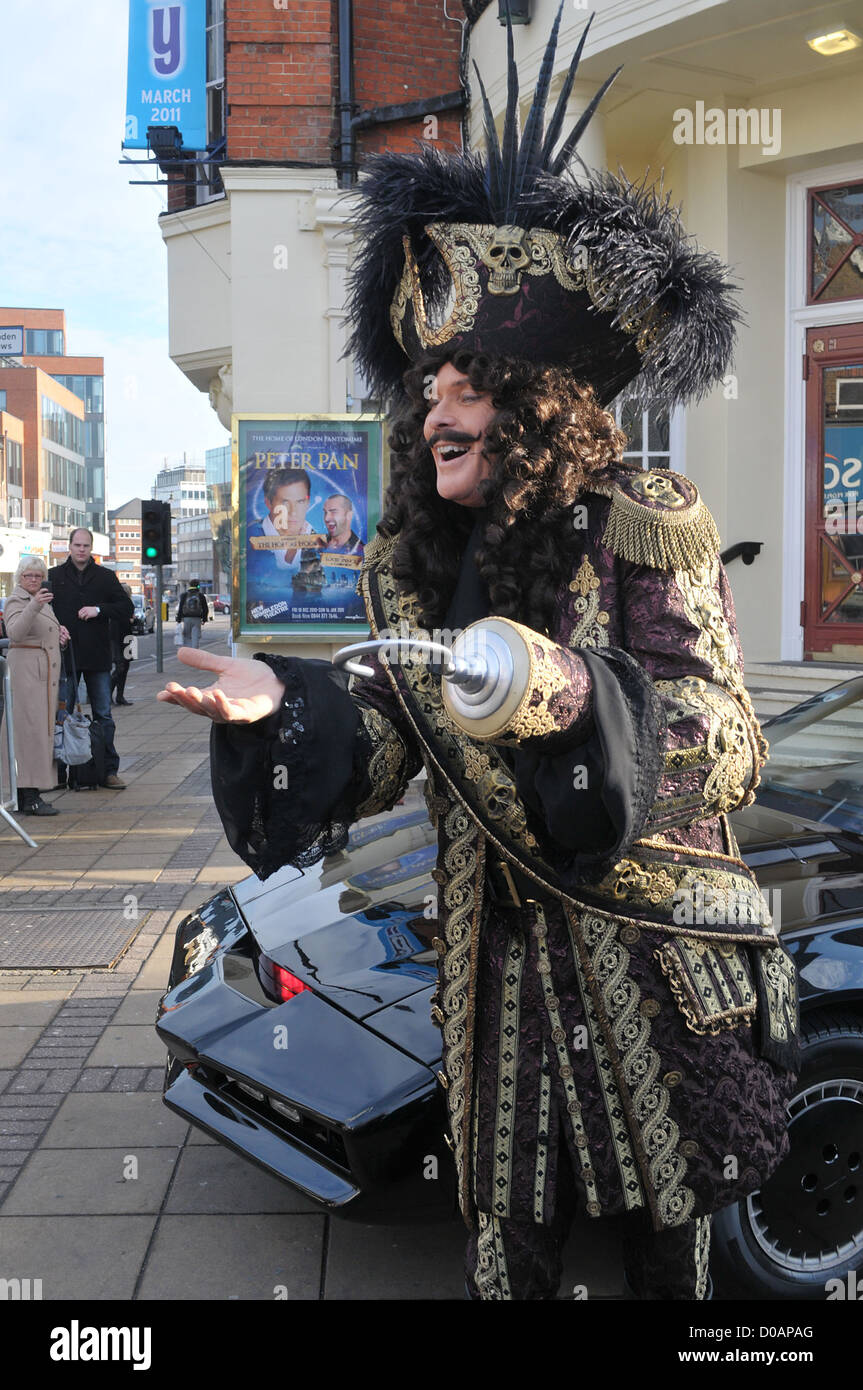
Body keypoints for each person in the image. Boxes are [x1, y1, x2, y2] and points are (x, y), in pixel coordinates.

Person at [159, 8, 799, 1301]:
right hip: (494, 991)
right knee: (504, 1258)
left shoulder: (646, 523)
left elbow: (725, 743)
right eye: (425, 381)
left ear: (540, 402)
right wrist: (276, 717)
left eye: (467, 381)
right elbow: (379, 750)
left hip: (642, 964)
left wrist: (563, 694)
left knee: (668, 1259)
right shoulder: (413, 569)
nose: (433, 405)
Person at [49, 528, 133, 790]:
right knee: (62, 716)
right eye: (77, 545)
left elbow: (126, 608)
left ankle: (108, 770)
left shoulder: (106, 577)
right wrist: (55, 629)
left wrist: (99, 610)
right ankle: (59, 774)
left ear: (91, 547)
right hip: (66, 657)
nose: (81, 550)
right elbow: (43, 609)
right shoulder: (54, 576)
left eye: (86, 545)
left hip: (97, 657)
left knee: (103, 715)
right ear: (69, 547)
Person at [3, 554, 69, 815]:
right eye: (28, 575)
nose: (33, 580)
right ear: (20, 578)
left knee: (39, 732)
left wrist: (59, 633)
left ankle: (30, 792)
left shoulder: (39, 599)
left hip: (41, 674)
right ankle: (28, 795)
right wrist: (35, 606)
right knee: (28, 734)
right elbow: (15, 633)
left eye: (38, 576)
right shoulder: (16, 600)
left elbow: (42, 630)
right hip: (27, 675)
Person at [110, 584, 135, 706]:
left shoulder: (127, 603)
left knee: (123, 668)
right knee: (121, 668)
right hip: (122, 638)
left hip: (125, 638)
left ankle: (119, 696)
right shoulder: (119, 604)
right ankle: (110, 694)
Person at [176, 580, 209, 649]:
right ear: (198, 586)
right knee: (196, 636)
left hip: (186, 619)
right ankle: (195, 651)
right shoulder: (201, 595)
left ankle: (188, 653)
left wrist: (179, 619)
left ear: (190, 585)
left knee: (187, 636)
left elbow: (181, 607)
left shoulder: (184, 595)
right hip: (197, 619)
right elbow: (205, 608)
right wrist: (204, 619)